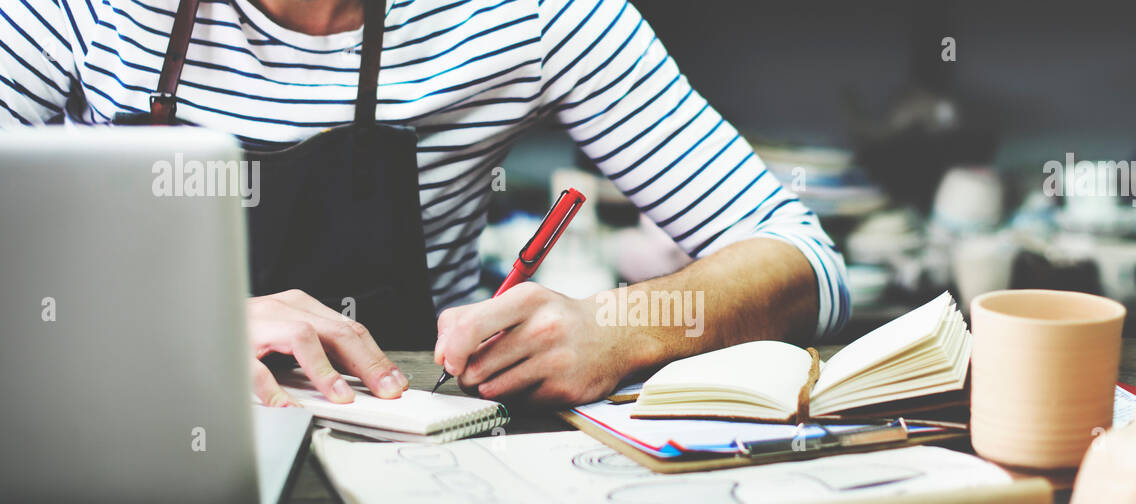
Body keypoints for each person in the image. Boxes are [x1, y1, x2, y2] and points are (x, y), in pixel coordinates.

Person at [0, 0, 849, 407]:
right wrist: (168, 328)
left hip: (414, 434)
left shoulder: (541, 15)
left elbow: (804, 260)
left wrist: (623, 325)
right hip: (120, 423)